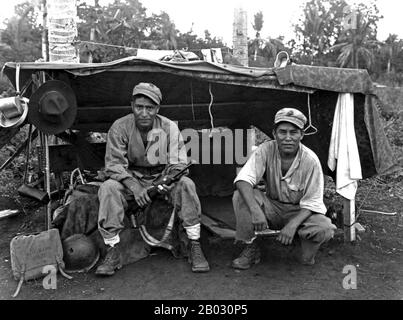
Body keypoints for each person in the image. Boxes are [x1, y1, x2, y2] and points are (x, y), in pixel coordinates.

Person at [96, 82, 209, 276]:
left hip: (162, 177)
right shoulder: (120, 127)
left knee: (186, 184)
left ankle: (194, 244)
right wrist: (134, 186)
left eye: (150, 108)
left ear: (157, 109)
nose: (144, 113)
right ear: (132, 106)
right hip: (130, 178)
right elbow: (114, 165)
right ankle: (113, 251)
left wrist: (167, 181)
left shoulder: (169, 127)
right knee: (108, 188)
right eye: (139, 107)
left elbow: (178, 164)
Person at [232, 108, 336, 269]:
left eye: (293, 132)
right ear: (274, 133)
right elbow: (243, 179)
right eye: (282, 132)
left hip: (299, 210)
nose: (288, 138)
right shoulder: (266, 149)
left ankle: (301, 244)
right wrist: (255, 210)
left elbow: (313, 202)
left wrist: (292, 225)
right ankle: (251, 246)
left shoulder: (311, 160)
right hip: (272, 206)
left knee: (325, 228)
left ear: (301, 135)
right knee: (241, 196)